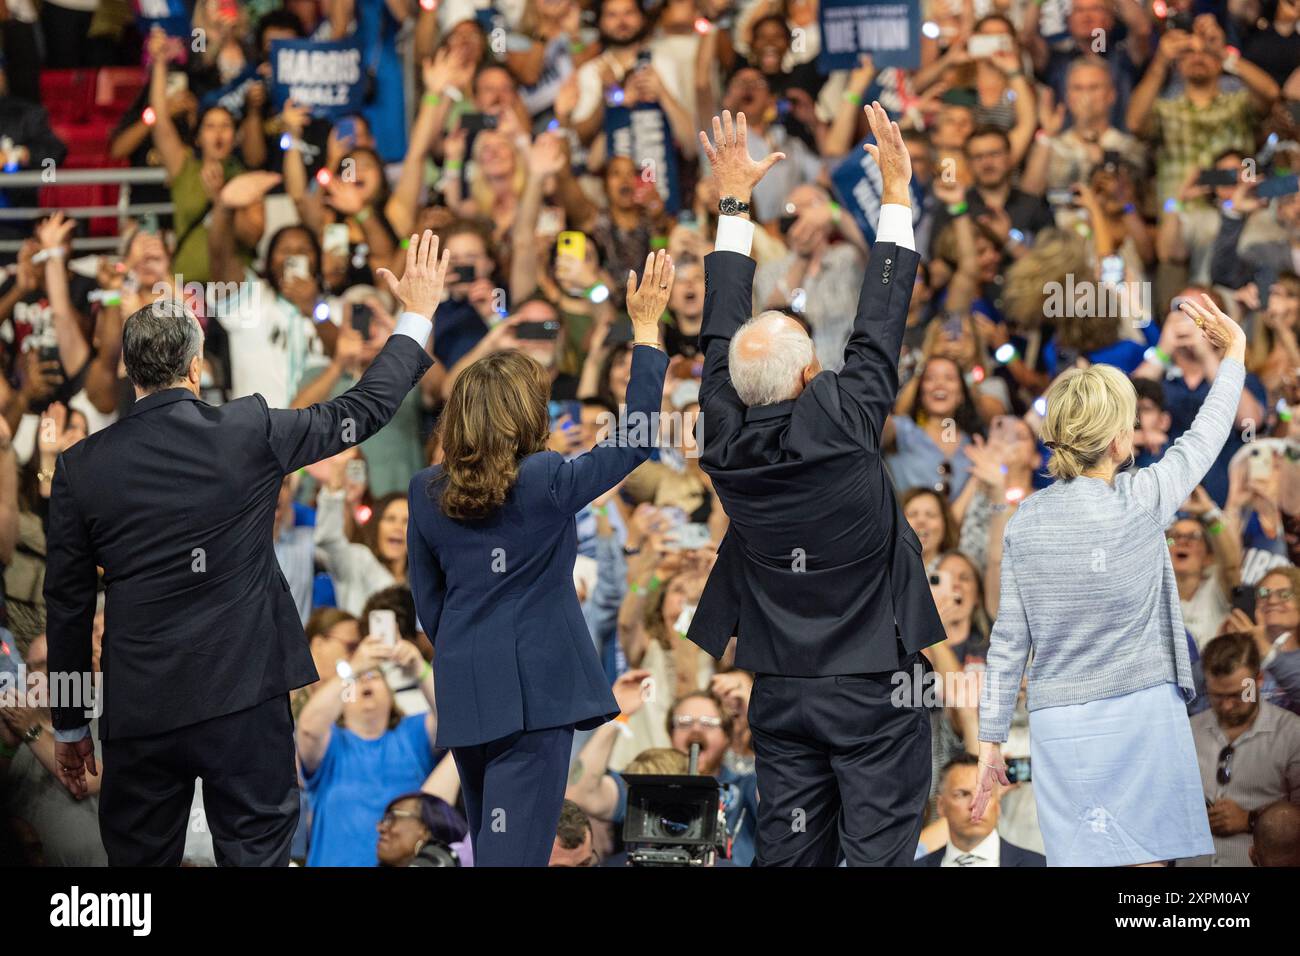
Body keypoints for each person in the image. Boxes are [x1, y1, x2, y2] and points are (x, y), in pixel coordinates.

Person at [42, 232, 448, 866]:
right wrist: (416, 314)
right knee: (257, 859)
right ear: (197, 365)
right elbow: (363, 410)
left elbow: (66, 605)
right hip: (246, 697)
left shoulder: (80, 468)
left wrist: (69, 724)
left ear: (128, 367)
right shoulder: (248, 428)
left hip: (142, 710)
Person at [684, 105, 943, 867]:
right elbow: (883, 319)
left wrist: (732, 205)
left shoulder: (723, 442)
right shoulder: (846, 421)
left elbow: (717, 338)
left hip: (781, 691)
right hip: (875, 689)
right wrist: (897, 192)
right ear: (807, 375)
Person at [406, 249, 673, 866]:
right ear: (524, 415)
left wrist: (475, 645)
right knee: (514, 858)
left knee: (497, 848)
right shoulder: (544, 478)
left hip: (468, 691)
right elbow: (635, 440)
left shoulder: (426, 490)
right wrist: (647, 331)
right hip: (535, 697)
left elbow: (430, 605)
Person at [974, 293, 1248, 866]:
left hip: (1059, 723)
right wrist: (1236, 354)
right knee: (1145, 871)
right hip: (1141, 712)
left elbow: (1006, 645)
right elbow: (1208, 432)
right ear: (1121, 440)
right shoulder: (1144, 497)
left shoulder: (1024, 520)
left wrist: (990, 740)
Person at [1188, 633, 1300, 867]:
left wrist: (1250, 819)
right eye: (1217, 696)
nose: (1227, 705)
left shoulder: (1292, 733)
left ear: (1258, 680)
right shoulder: (1189, 730)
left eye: (1238, 694)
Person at [914, 754, 1045, 867]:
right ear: (941, 806)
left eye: (985, 794)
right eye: (962, 794)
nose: (975, 804)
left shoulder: (1042, 864)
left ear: (997, 802)